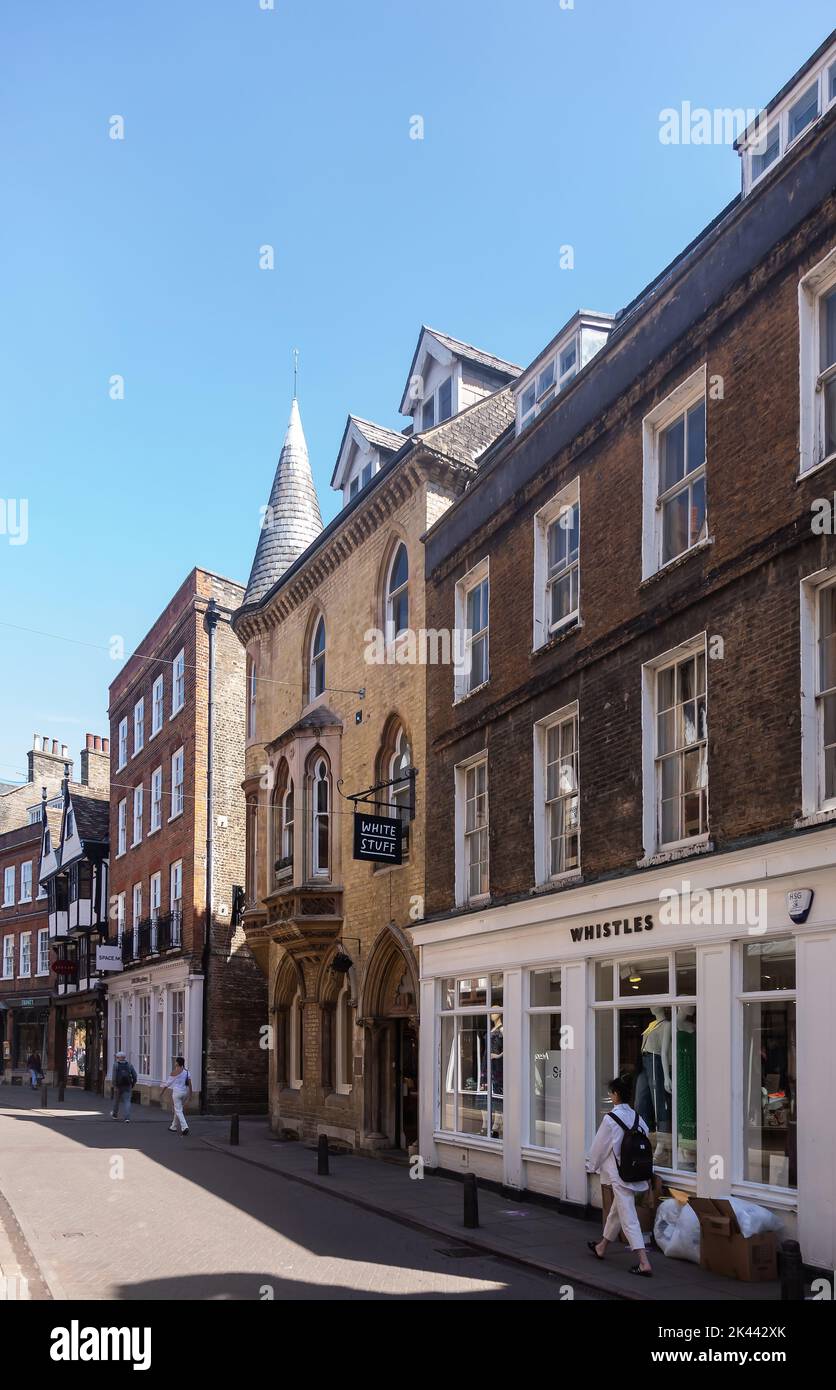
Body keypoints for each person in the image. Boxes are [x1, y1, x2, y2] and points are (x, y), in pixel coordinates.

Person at [585, 1076, 653, 1277]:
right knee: (616, 1212)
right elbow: (646, 1134)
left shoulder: (610, 1119)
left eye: (611, 1092)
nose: (610, 1095)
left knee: (628, 1217)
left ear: (616, 1095)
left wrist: (591, 1166)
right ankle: (602, 1247)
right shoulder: (638, 1118)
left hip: (620, 1174)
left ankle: (644, 1262)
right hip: (637, 1172)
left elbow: (599, 1147)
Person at [160, 1057, 192, 1135]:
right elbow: (190, 1084)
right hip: (184, 1092)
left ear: (177, 1063)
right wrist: (190, 1094)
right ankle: (173, 1126)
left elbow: (167, 1084)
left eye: (175, 1062)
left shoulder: (174, 1072)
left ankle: (184, 1127)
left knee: (178, 1110)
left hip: (177, 1093)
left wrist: (162, 1092)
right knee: (178, 1109)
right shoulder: (187, 1072)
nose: (175, 1063)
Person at [110, 1051, 137, 1122]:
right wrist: (133, 1083)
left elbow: (114, 1077)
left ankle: (115, 1115)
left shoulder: (115, 1065)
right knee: (127, 1101)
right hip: (127, 1085)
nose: (116, 1058)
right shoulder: (129, 1065)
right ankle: (127, 1118)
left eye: (117, 1057)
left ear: (118, 1058)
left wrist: (114, 1085)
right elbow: (135, 1075)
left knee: (116, 1101)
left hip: (118, 1086)